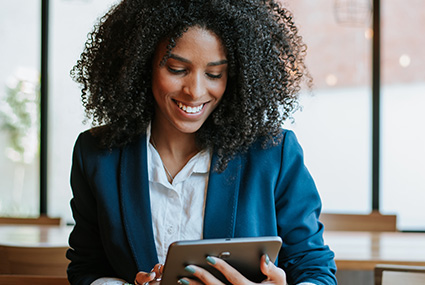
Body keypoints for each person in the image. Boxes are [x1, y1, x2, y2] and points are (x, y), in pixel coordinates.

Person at [67, 0, 337, 284]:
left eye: (214, 74)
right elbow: (86, 267)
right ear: (140, 63)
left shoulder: (274, 154)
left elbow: (314, 268)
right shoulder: (97, 155)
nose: (195, 91)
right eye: (176, 69)